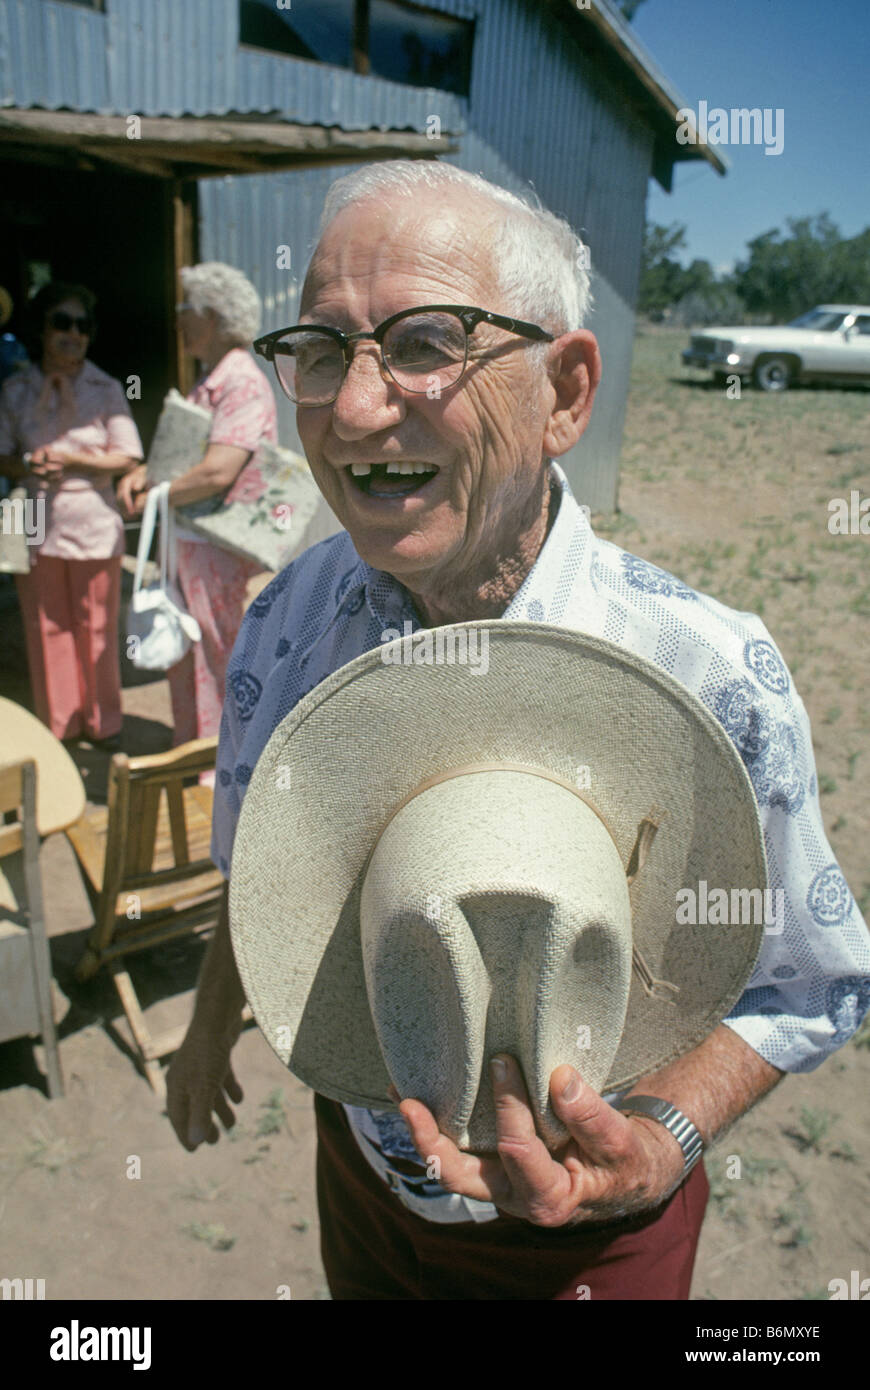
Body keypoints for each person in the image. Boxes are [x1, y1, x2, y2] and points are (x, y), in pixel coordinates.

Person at [165, 162, 870, 1300]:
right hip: (360, 1179)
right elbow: (261, 866)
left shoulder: (707, 671)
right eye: (323, 349)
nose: (350, 411)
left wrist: (659, 1145)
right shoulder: (285, 622)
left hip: (590, 1241)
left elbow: (806, 982)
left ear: (566, 393)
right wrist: (207, 1026)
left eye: (426, 342)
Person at [118, 263, 277, 747]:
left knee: (216, 649)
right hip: (189, 540)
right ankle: (190, 747)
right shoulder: (209, 379)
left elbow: (217, 470)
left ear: (213, 314)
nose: (178, 319)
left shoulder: (241, 382)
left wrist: (156, 496)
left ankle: (220, 760)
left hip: (213, 543)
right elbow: (187, 454)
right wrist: (147, 472)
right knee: (188, 646)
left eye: (185, 308)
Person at [0, 282, 143, 746]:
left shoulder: (105, 388)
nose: (73, 334)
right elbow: (2, 454)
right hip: (35, 514)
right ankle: (59, 726)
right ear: (41, 329)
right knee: (45, 623)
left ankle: (104, 724)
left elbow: (127, 456)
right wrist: (26, 464)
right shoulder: (16, 388)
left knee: (96, 623)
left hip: (90, 514)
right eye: (61, 323)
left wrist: (74, 461)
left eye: (82, 326)